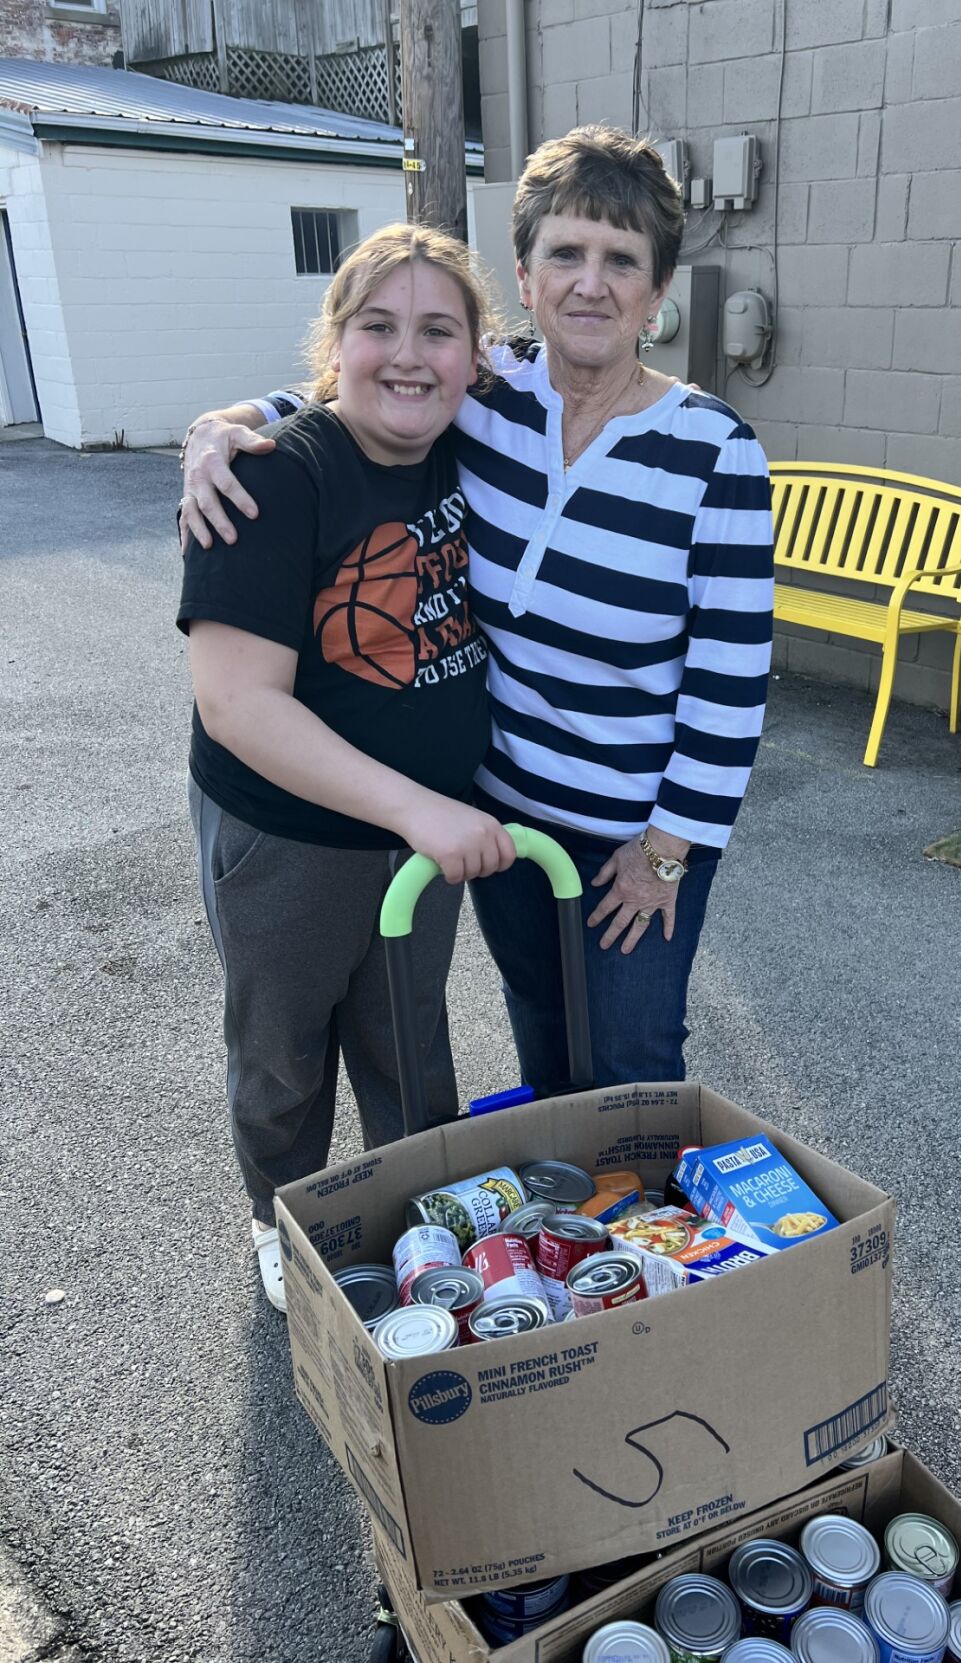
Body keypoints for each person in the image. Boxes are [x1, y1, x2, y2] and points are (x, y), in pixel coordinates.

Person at [180, 125, 774, 1101]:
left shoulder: (713, 454)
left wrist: (664, 854)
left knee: (629, 1072)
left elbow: (729, 681)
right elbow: (366, 383)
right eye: (565, 255)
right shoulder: (491, 393)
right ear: (527, 278)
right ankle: (563, 1244)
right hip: (502, 824)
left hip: (631, 843)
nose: (591, 282)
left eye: (620, 260)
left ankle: (640, 1249)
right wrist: (232, 421)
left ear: (655, 294)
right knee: (544, 1043)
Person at [178, 223, 514, 1310]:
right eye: (378, 327)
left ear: (476, 352)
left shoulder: (477, 442)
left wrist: (425, 814)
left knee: (406, 1035)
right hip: (291, 837)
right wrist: (418, 806)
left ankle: (417, 1217)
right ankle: (288, 1223)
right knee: (283, 1049)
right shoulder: (274, 481)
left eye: (437, 330)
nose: (408, 355)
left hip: (418, 836)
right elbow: (234, 705)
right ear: (336, 342)